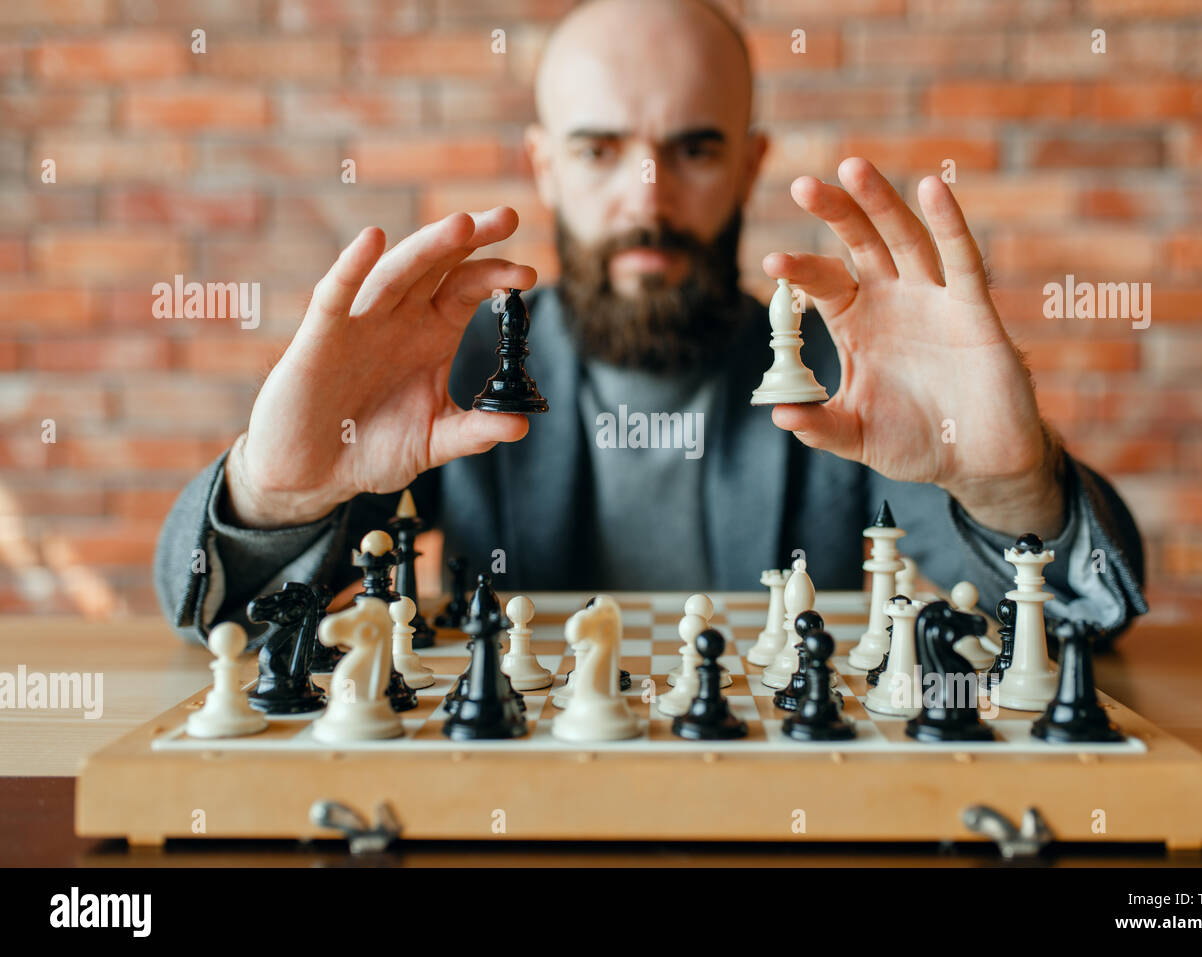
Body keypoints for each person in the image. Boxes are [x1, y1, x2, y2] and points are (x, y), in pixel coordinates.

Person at [154, 0, 1146, 646]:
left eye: (693, 148)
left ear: (751, 164)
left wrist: (1015, 486)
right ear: (544, 165)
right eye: (598, 150)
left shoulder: (860, 378)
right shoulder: (439, 371)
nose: (647, 194)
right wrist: (275, 495)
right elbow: (222, 628)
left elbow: (1078, 628)